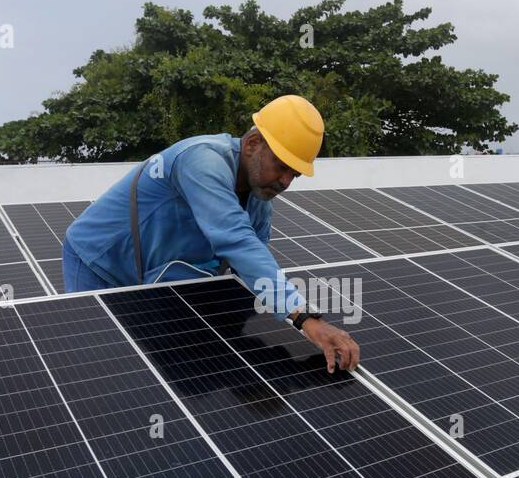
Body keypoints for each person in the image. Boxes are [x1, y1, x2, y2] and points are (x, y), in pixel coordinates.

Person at [62, 94, 360, 372]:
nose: (284, 181)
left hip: (152, 275)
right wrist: (305, 318)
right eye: (280, 166)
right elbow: (236, 240)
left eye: (293, 174)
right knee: (96, 362)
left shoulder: (258, 201)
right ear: (253, 143)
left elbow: (248, 267)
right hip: (98, 261)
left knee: (153, 371)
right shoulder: (202, 160)